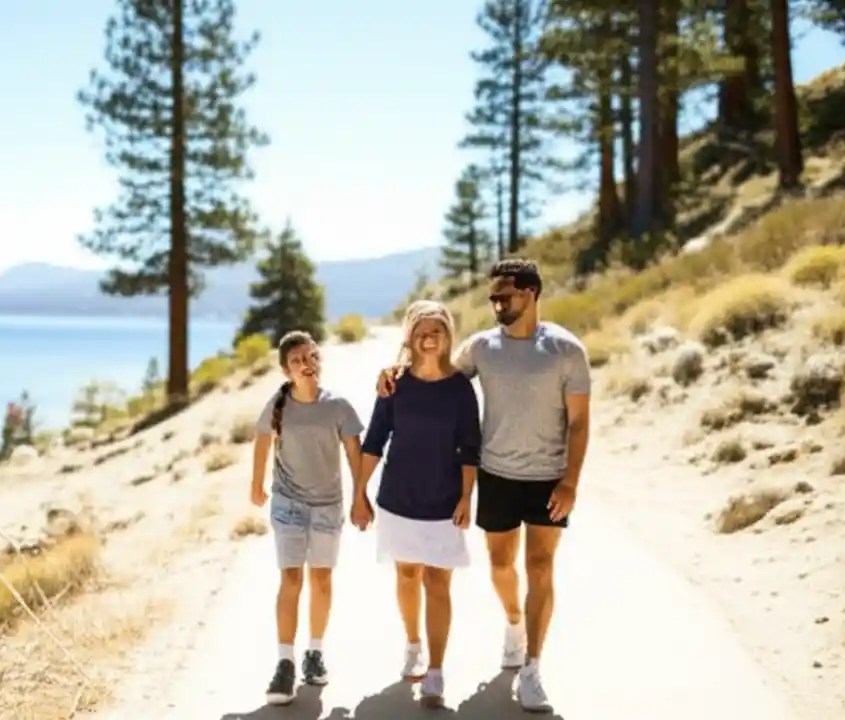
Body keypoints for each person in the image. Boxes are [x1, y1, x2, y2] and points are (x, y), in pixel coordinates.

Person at [375, 258, 591, 714]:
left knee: (540, 565)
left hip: (548, 476)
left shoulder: (566, 350)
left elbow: (579, 422)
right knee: (500, 566)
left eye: (504, 296)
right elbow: (433, 372)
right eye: (492, 297)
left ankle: (532, 666)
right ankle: (514, 621)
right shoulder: (481, 348)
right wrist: (393, 371)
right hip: (495, 473)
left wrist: (570, 481)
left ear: (530, 293)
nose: (496, 304)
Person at [355, 300, 480, 709]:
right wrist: (359, 492)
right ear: (410, 337)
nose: (429, 339)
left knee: (438, 583)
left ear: (447, 336)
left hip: (444, 501)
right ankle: (413, 645)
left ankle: (437, 672)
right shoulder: (395, 384)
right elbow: (374, 441)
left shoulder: (460, 387)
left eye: (437, 331)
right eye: (421, 331)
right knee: (407, 575)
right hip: (397, 499)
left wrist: (466, 496)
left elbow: (469, 447)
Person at [251, 329, 365, 706]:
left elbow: (354, 454)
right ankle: (284, 661)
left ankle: (314, 652)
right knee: (291, 579)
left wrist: (361, 497)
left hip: (328, 505)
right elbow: (263, 439)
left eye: (311, 356)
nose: (307, 364)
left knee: (321, 579)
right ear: (287, 371)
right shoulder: (278, 404)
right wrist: (257, 483)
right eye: (297, 361)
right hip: (288, 504)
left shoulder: (339, 407)